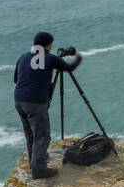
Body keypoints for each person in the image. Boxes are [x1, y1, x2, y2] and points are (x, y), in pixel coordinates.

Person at [13, 31, 82, 178]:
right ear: (48, 44)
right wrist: (79, 57)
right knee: (43, 135)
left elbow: (16, 79)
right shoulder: (50, 58)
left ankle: (35, 161)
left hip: (19, 100)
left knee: (30, 134)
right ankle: (39, 169)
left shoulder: (23, 56)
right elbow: (69, 68)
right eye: (51, 44)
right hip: (35, 103)